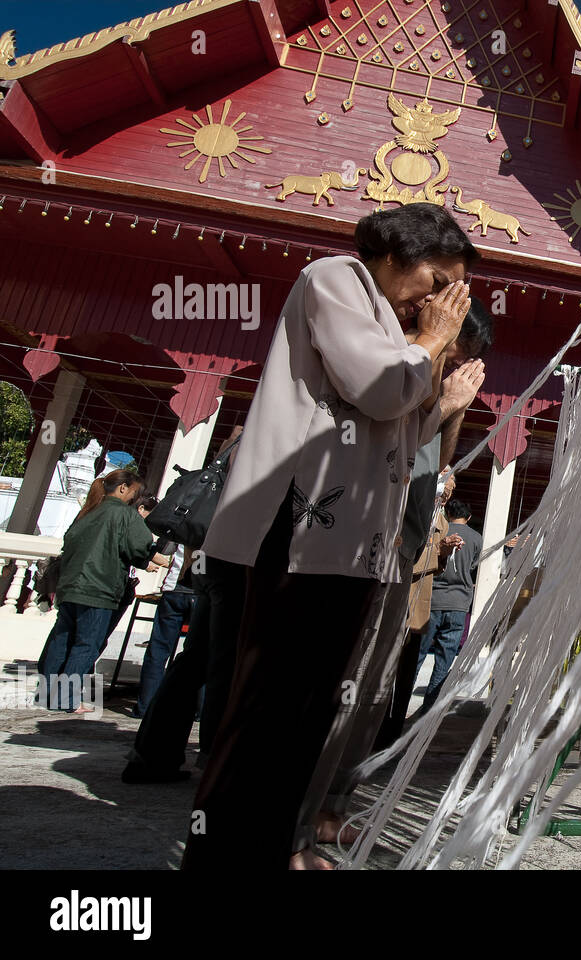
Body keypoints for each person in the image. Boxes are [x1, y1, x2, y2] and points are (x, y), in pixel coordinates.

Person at [181, 204, 479, 871]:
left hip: (357, 545)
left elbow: (404, 427)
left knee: (307, 718)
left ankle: (273, 846)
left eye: (453, 292)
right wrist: (431, 342)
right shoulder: (338, 280)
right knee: (263, 713)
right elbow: (376, 390)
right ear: (397, 253)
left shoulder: (404, 330)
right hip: (297, 529)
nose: (439, 303)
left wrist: (442, 394)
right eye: (437, 281)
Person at [302, 302, 491, 854]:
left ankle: (335, 805)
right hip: (357, 544)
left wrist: (454, 411)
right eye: (459, 349)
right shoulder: (396, 364)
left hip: (402, 552)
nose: (457, 363)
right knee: (337, 684)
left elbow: (435, 465)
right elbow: (382, 440)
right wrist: (436, 384)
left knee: (373, 691)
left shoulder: (436, 385)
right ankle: (299, 816)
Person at [122, 430, 244, 785]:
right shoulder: (259, 438)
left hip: (210, 563)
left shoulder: (238, 439)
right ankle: (213, 759)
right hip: (235, 561)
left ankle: (152, 753)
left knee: (197, 660)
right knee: (221, 662)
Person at [39, 469, 163, 713]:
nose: (135, 499)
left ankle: (46, 694)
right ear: (123, 488)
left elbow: (69, 542)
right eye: (135, 493)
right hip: (100, 588)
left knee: (61, 640)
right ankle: (66, 699)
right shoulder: (125, 516)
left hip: (70, 586)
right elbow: (139, 548)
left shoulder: (88, 511)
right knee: (86, 645)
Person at [414, 498, 482, 710]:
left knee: (417, 654)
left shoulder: (437, 532)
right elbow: (473, 566)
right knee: (444, 660)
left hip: (432, 599)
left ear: (447, 514)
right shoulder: (476, 538)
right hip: (459, 603)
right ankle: (428, 711)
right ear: (468, 517)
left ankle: (396, 706)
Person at [131, 545, 196, 718]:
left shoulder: (185, 518)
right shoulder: (219, 520)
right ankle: (198, 709)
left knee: (158, 651)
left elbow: (164, 547)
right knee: (201, 653)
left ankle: (145, 706)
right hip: (201, 590)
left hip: (175, 587)